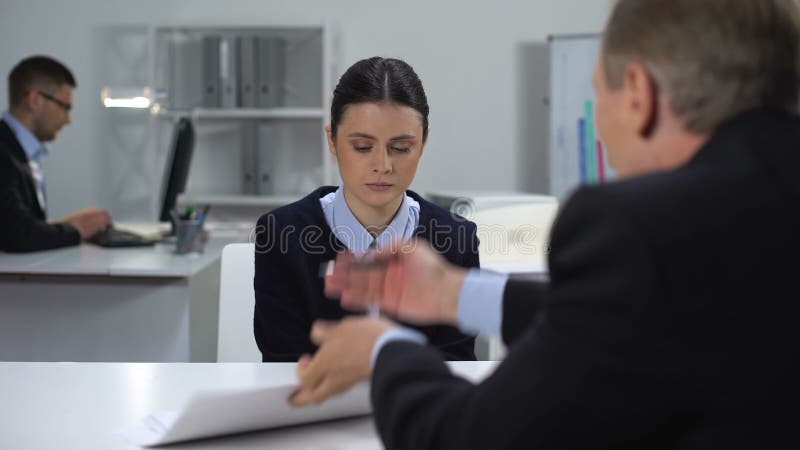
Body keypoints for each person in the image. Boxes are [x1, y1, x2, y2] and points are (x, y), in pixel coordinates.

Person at [290, 0, 800, 448]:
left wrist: (385, 350)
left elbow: (474, 436)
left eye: (599, 93)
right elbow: (650, 317)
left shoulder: (640, 226)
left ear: (639, 95)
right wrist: (456, 293)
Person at [253, 57, 479, 362]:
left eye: (400, 148)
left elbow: (456, 364)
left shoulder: (456, 240)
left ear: (423, 142)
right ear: (332, 140)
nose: (382, 166)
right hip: (318, 409)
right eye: (362, 147)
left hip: (416, 409)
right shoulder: (282, 234)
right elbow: (283, 363)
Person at [0, 55, 111, 252]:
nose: (68, 120)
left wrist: (68, 225)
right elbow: (16, 234)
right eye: (64, 107)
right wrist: (77, 230)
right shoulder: (4, 152)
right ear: (35, 100)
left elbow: (15, 223)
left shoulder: (18, 151)